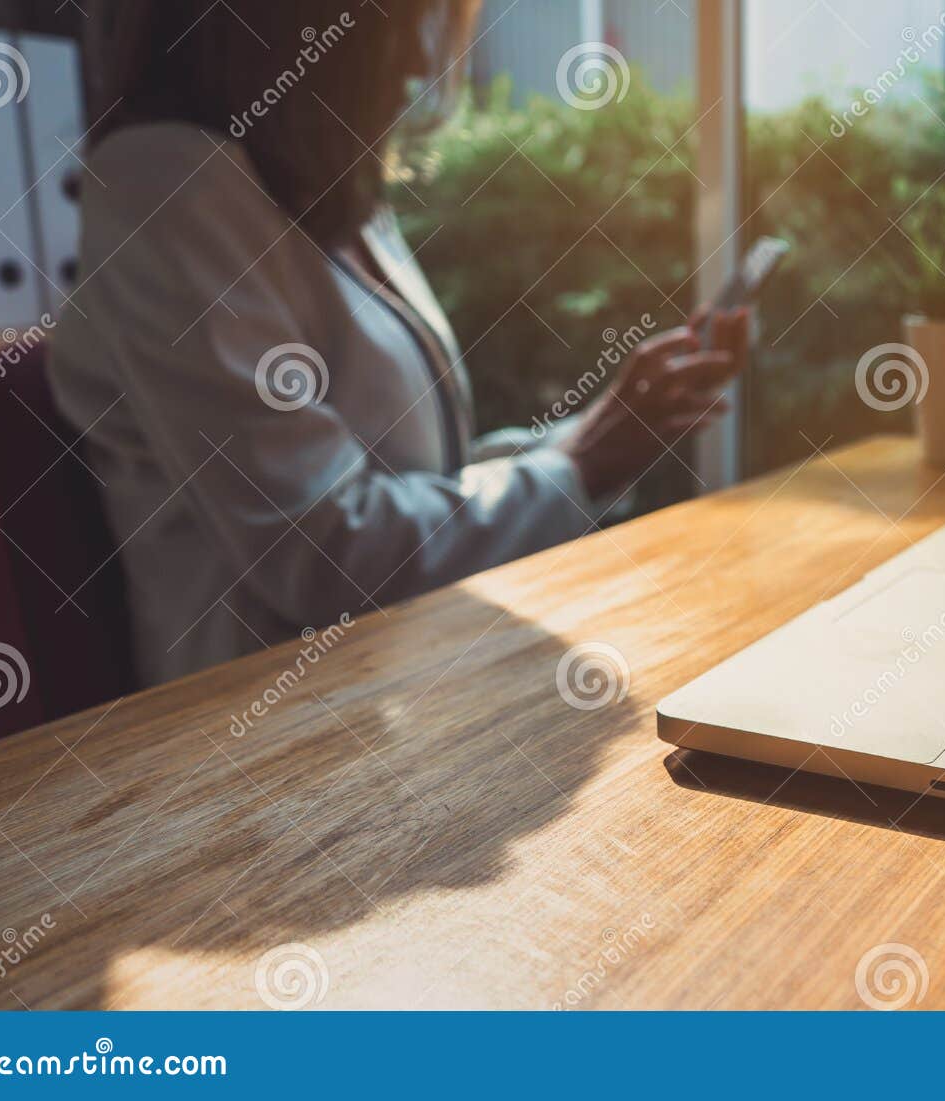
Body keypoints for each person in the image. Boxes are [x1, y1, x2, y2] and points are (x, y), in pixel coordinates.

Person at [52, 0, 745, 686]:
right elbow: (323, 552)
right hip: (280, 739)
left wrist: (597, 435)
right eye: (404, 21)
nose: (418, 59)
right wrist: (580, 467)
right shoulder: (164, 183)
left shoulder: (336, 199)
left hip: (417, 673)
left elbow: (411, 481)